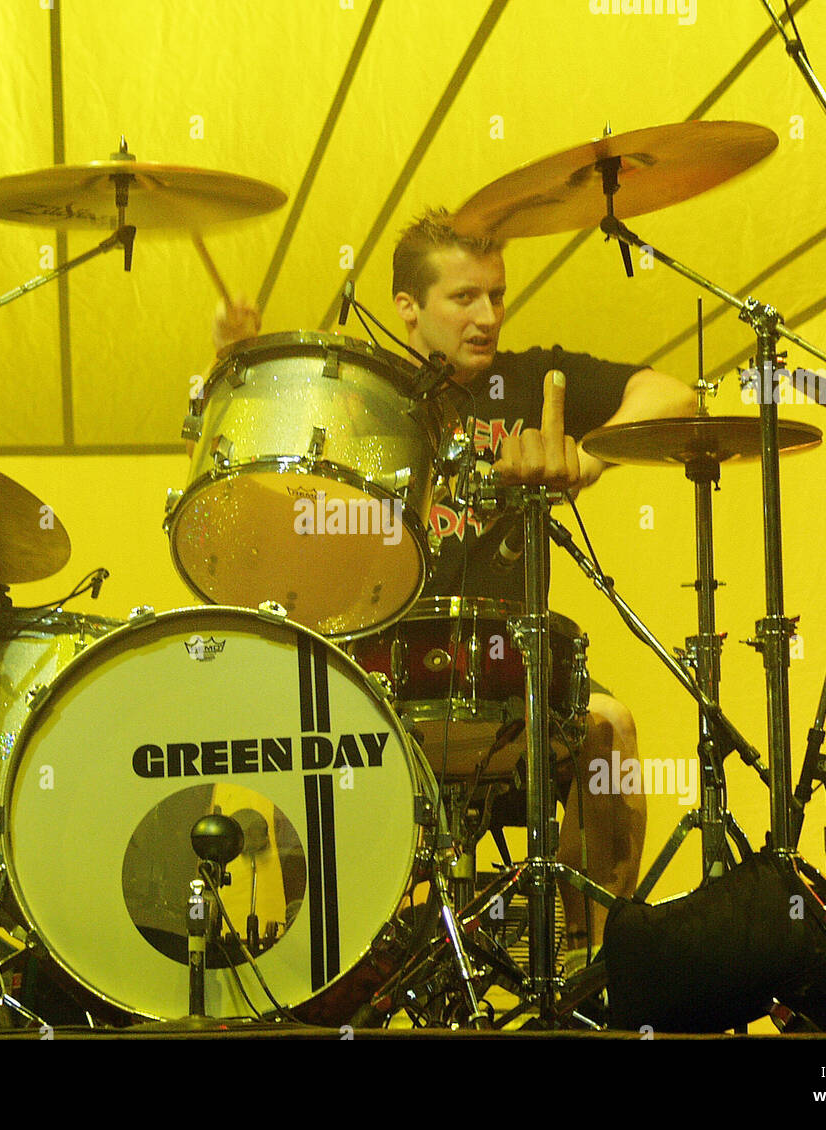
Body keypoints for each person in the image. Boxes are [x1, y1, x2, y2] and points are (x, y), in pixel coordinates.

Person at [211, 208, 696, 947]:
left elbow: (676, 397)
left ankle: (592, 970)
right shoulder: (356, 397)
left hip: (508, 676)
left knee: (614, 728)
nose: (488, 316)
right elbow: (263, 512)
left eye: (497, 296)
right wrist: (250, 390)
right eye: (464, 298)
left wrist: (589, 456)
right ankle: (289, 968)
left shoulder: (531, 380)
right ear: (408, 308)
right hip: (377, 672)